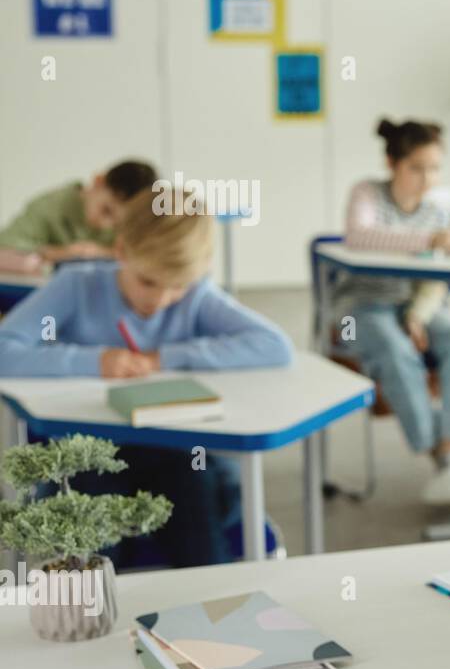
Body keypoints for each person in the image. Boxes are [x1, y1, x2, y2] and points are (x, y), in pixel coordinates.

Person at [0, 189, 293, 567]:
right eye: (149, 282)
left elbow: (274, 345)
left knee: (198, 505)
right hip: (91, 451)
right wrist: (94, 361)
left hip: (178, 448)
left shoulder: (196, 295)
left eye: (177, 286)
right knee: (93, 525)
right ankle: (98, 617)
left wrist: (165, 357)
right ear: (120, 251)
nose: (160, 300)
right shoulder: (77, 286)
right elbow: (6, 349)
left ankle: (206, 612)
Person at [332, 119, 450, 508]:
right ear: (392, 163)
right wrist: (429, 241)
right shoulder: (366, 194)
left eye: (434, 168)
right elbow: (359, 237)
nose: (426, 178)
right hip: (363, 306)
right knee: (394, 349)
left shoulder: (436, 209)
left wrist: (416, 315)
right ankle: (440, 453)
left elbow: (434, 282)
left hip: (414, 304)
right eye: (416, 167)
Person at [0, 160, 158, 273]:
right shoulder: (50, 206)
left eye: (117, 224)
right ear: (98, 182)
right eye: (106, 211)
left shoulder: (135, 223)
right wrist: (59, 253)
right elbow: (5, 248)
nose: (106, 225)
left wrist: (102, 253)